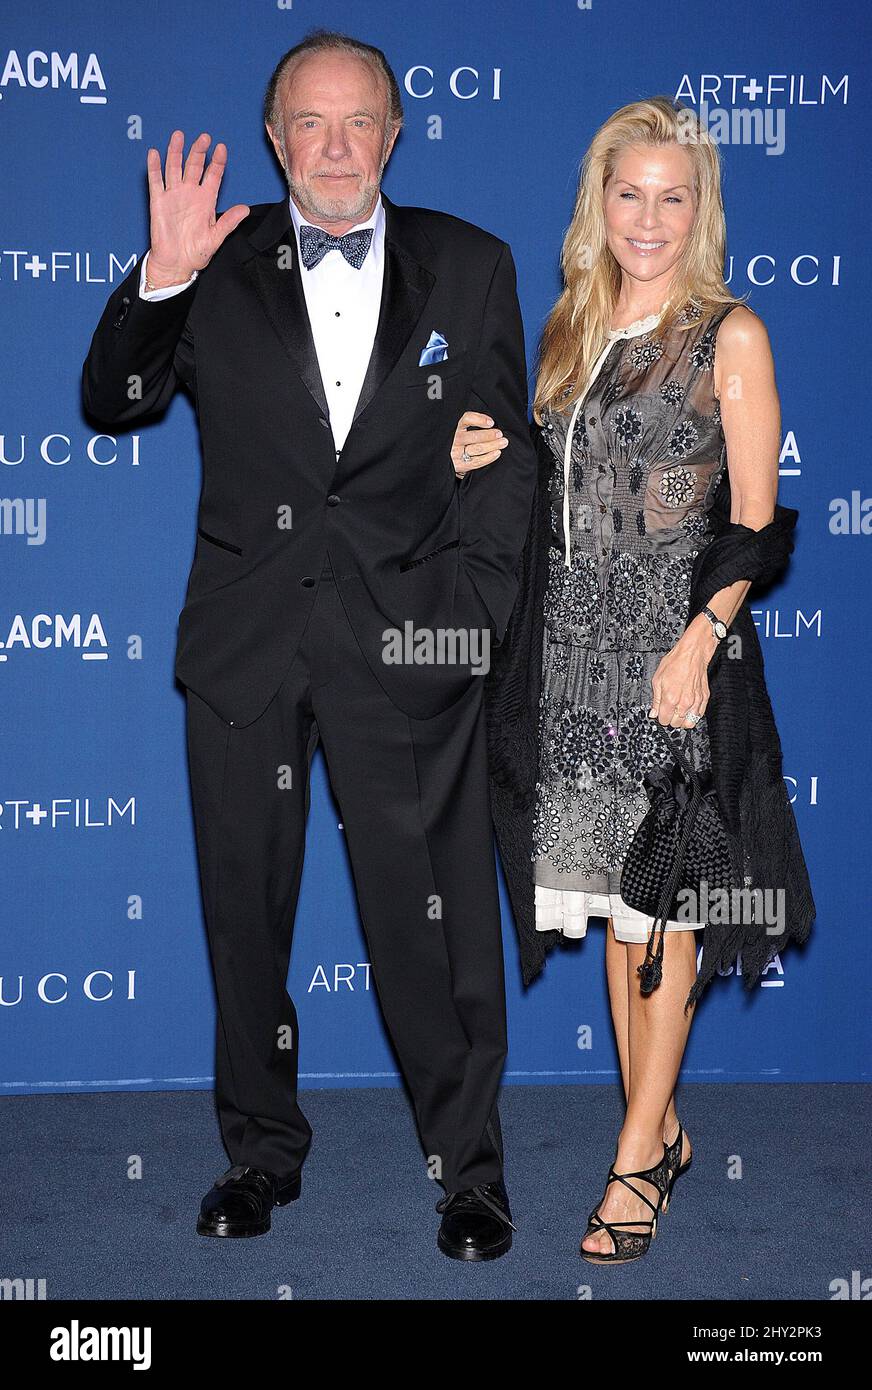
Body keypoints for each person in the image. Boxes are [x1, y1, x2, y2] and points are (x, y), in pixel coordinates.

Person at [81, 28, 536, 1261]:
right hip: (246, 650)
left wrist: (478, 613)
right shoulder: (214, 266)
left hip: (411, 650)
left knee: (432, 929)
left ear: (396, 132)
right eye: (310, 124)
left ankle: (470, 1173)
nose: (336, 148)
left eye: (360, 122)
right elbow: (110, 400)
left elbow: (510, 457)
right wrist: (160, 281)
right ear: (275, 138)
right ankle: (259, 1156)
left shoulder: (469, 265)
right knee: (245, 918)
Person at [481, 97, 815, 1263]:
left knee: (666, 908)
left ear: (700, 209)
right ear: (598, 201)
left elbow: (758, 528)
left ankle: (632, 1162)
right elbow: (569, 487)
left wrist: (695, 642)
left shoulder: (729, 332)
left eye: (673, 196)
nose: (649, 217)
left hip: (673, 663)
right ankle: (660, 1127)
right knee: (621, 925)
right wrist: (501, 446)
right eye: (629, 192)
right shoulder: (571, 324)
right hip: (568, 661)